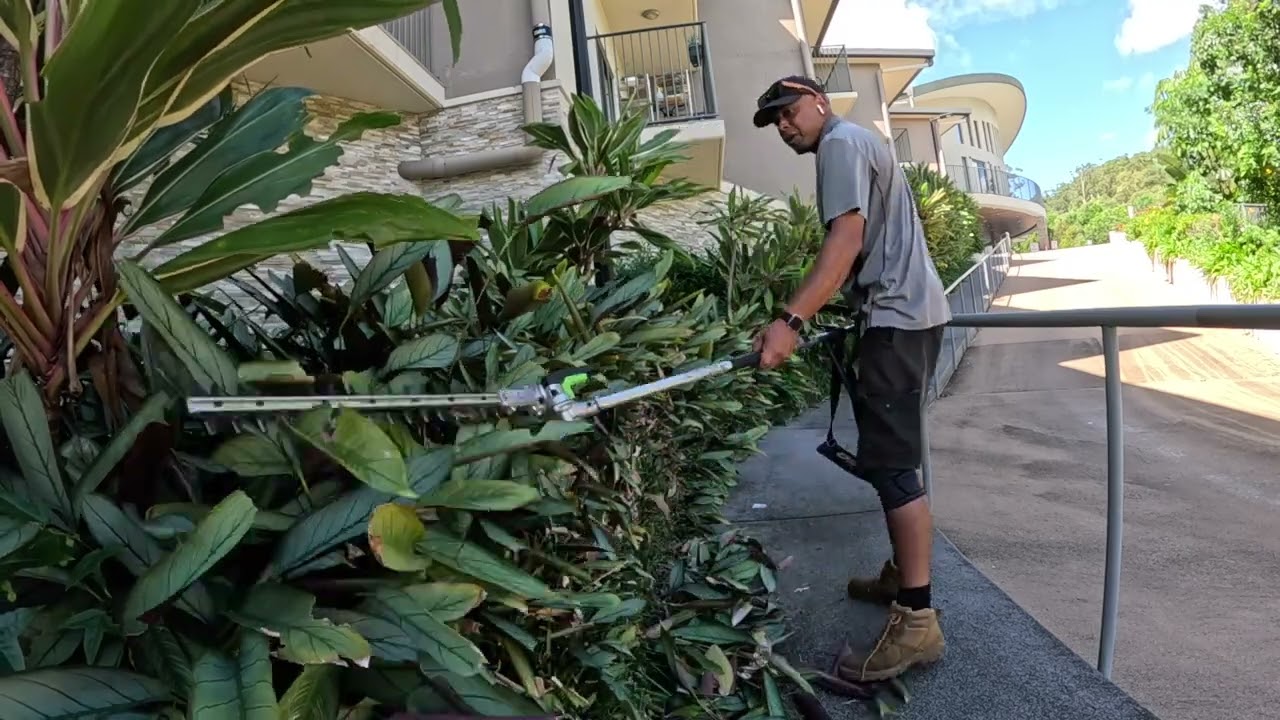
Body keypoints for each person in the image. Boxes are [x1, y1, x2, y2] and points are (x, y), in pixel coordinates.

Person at [750, 75, 951, 683]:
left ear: (818, 103)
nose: (784, 125)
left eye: (787, 112)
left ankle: (916, 620)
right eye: (774, 121)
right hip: (907, 315)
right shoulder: (861, 144)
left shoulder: (839, 143)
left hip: (897, 320)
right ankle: (901, 572)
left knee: (893, 469)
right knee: (890, 460)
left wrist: (790, 319)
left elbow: (848, 238)